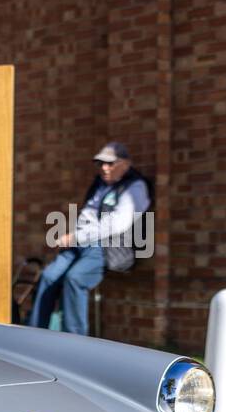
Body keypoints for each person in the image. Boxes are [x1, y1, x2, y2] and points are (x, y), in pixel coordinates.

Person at [30, 141, 151, 335]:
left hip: (106, 247)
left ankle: (75, 342)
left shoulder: (135, 187)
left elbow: (118, 224)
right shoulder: (100, 184)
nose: (104, 168)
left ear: (126, 164)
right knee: (48, 276)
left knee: (75, 278)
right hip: (79, 244)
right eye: (101, 163)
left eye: (110, 163)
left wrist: (76, 237)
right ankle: (34, 336)